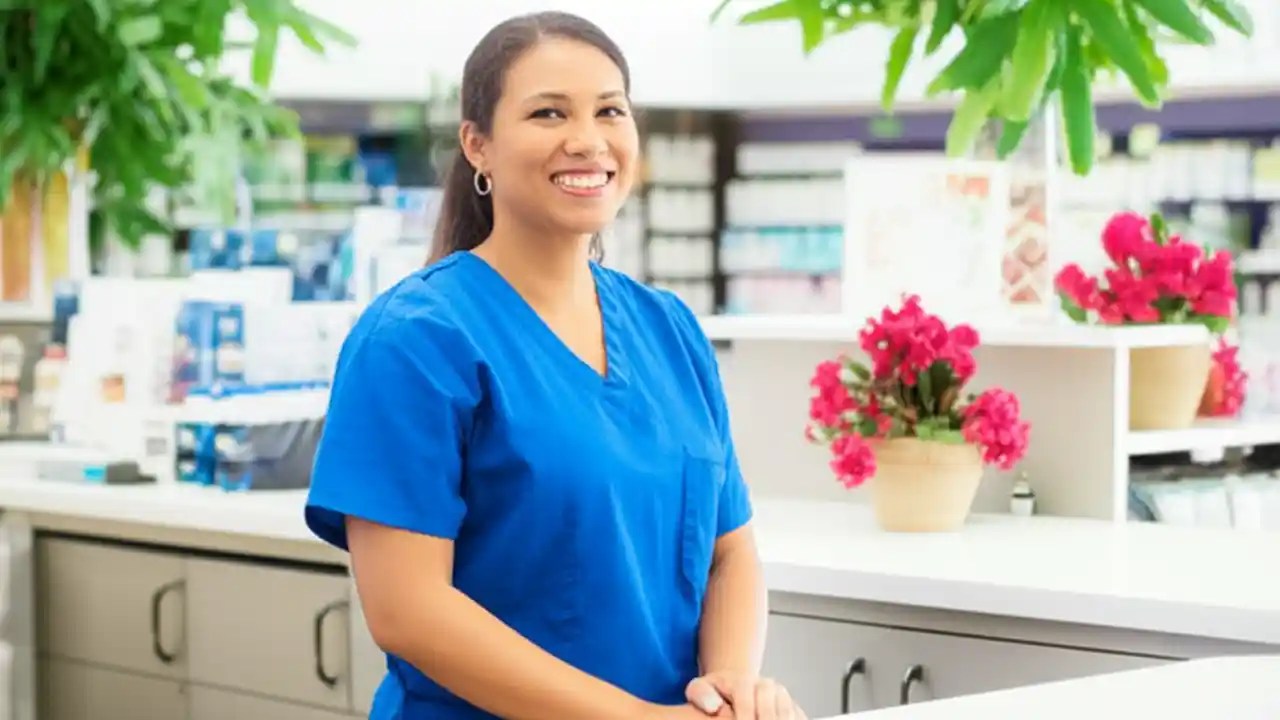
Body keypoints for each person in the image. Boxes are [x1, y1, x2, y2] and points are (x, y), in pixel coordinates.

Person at [304, 11, 806, 720]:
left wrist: (723, 692)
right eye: (548, 112)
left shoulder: (669, 331)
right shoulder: (415, 340)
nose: (587, 139)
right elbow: (407, 611)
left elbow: (731, 552)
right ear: (477, 144)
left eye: (610, 110)